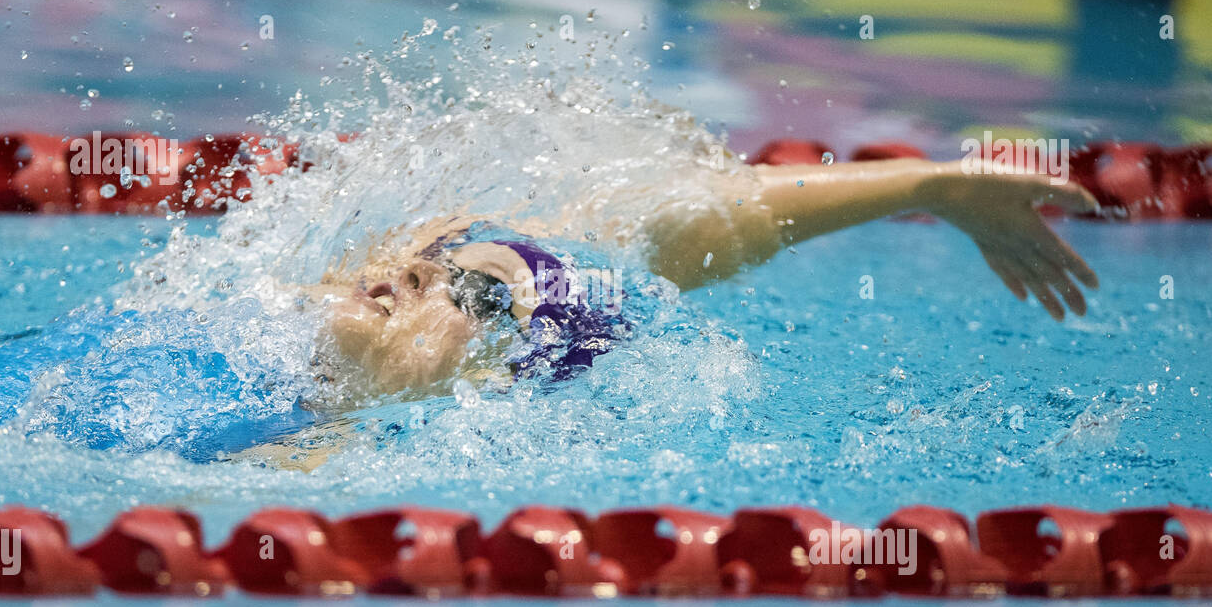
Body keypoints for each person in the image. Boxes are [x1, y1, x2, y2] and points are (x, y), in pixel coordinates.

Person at [294, 154, 1100, 400]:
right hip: (515, 280)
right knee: (661, 230)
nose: (386, 279)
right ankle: (933, 185)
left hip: (506, 287)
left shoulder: (463, 297)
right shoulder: (395, 286)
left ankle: (934, 185)